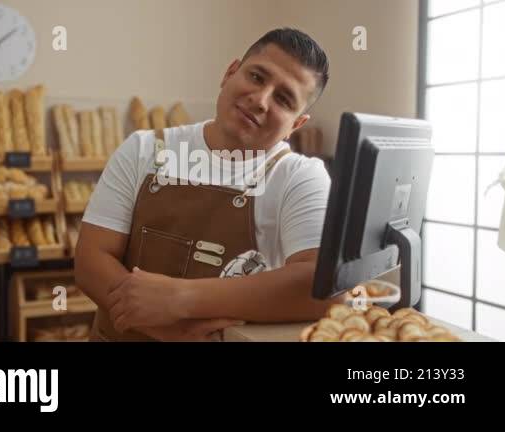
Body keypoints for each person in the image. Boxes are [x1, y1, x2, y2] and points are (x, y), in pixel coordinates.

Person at [76, 27, 346, 341]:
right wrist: (171, 331)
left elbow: (323, 291)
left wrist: (180, 298)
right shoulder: (144, 150)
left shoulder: (300, 177)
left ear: (295, 125)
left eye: (284, 99)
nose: (260, 100)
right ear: (230, 73)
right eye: (257, 77)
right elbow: (91, 259)